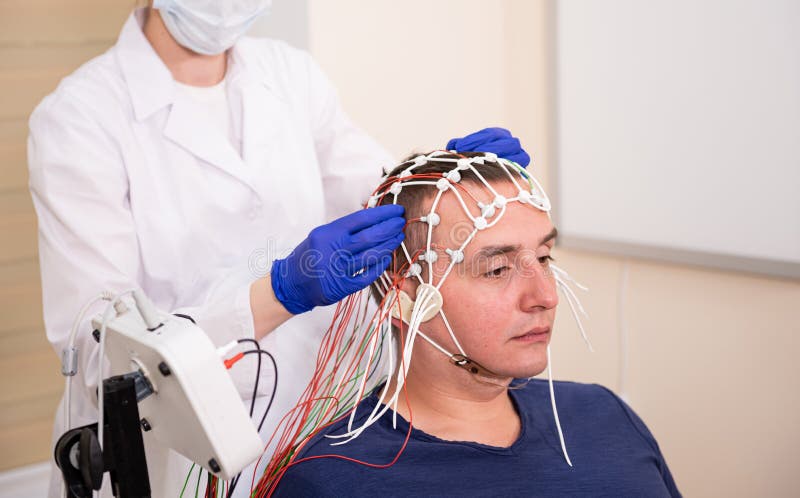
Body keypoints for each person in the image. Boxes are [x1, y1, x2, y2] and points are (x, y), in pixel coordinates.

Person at [26, 1, 531, 496]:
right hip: (174, 450)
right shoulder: (78, 118)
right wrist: (279, 292)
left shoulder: (289, 73)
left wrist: (444, 181)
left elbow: (375, 193)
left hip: (311, 422)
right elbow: (103, 359)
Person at [271, 151, 682, 497]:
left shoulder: (604, 415)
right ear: (403, 295)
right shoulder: (334, 478)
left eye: (543, 258)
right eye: (497, 269)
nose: (545, 297)